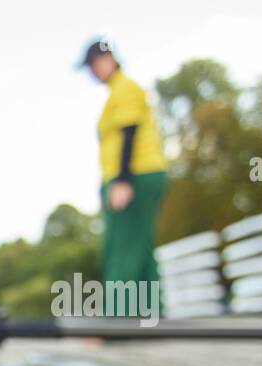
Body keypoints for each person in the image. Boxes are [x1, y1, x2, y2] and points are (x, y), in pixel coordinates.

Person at [81, 38, 169, 314]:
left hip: (134, 178)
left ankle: (117, 322)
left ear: (108, 60)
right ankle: (152, 317)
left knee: (122, 248)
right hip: (139, 176)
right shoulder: (118, 93)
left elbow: (129, 133)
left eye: (94, 65)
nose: (92, 72)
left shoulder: (125, 89)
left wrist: (122, 181)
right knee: (141, 248)